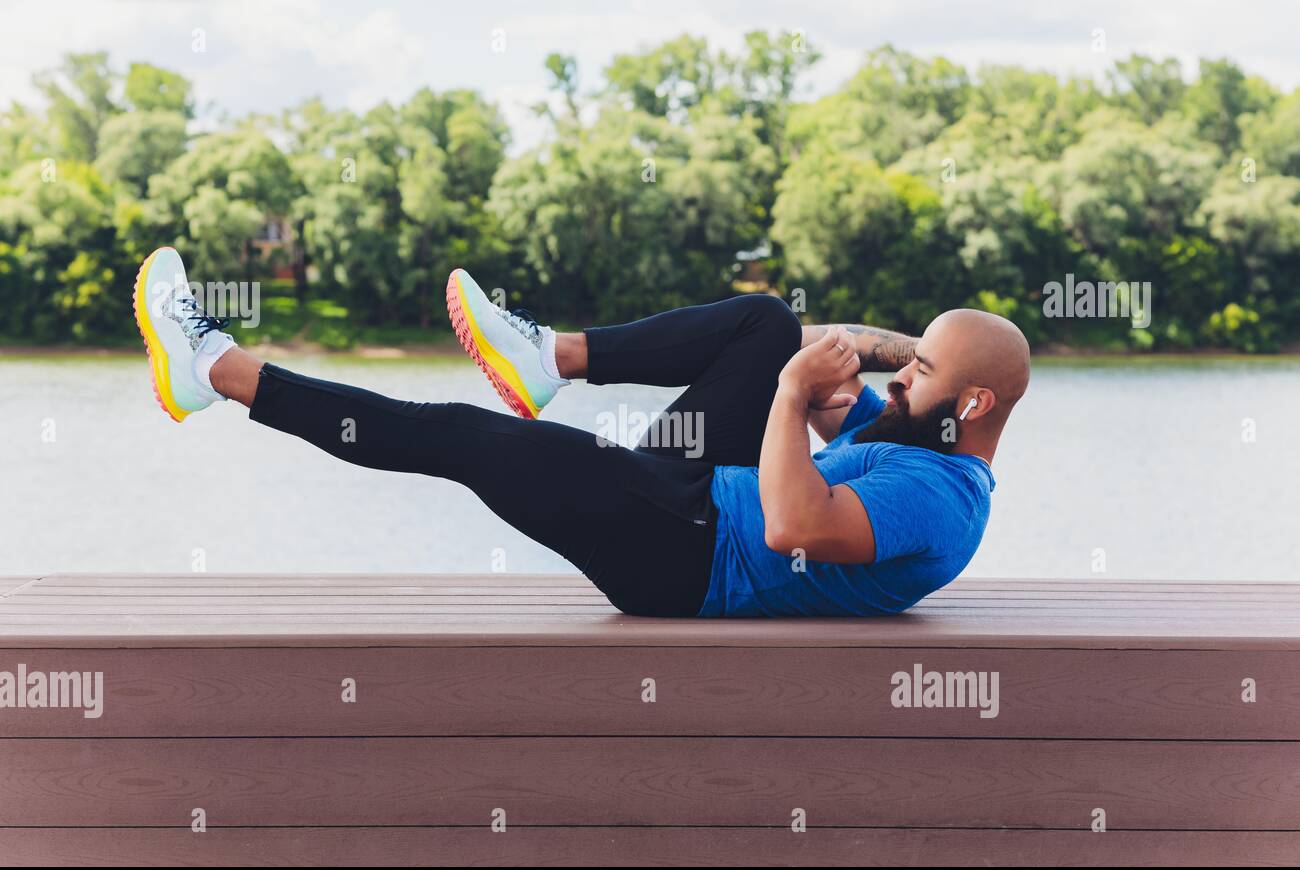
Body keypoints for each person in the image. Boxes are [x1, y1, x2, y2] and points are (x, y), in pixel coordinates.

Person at [131, 246, 1030, 617]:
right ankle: (550, 358)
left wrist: (793, 398)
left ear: (975, 406)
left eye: (920, 373)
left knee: (457, 436)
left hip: (685, 553)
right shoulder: (922, 439)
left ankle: (215, 371)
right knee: (761, 326)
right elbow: (804, 356)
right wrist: (915, 348)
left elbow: (795, 524)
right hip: (691, 502)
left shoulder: (938, 502)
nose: (897, 376)